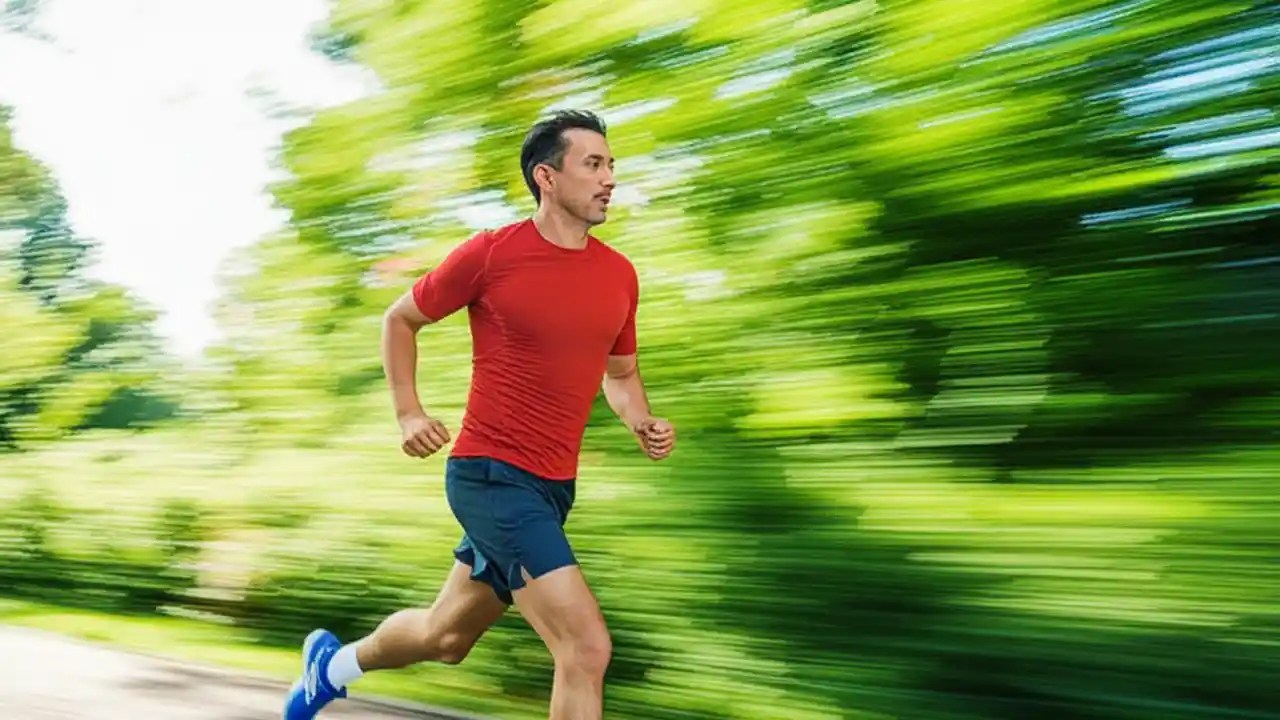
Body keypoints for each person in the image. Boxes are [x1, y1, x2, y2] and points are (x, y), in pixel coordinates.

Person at [283, 109, 675, 720]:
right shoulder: (493, 254)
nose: (609, 179)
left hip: (551, 488)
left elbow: (619, 375)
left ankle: (331, 668)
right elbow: (400, 319)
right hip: (492, 476)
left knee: (447, 638)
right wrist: (409, 413)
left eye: (611, 165)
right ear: (547, 177)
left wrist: (643, 421)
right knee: (585, 646)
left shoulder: (619, 275)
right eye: (593, 164)